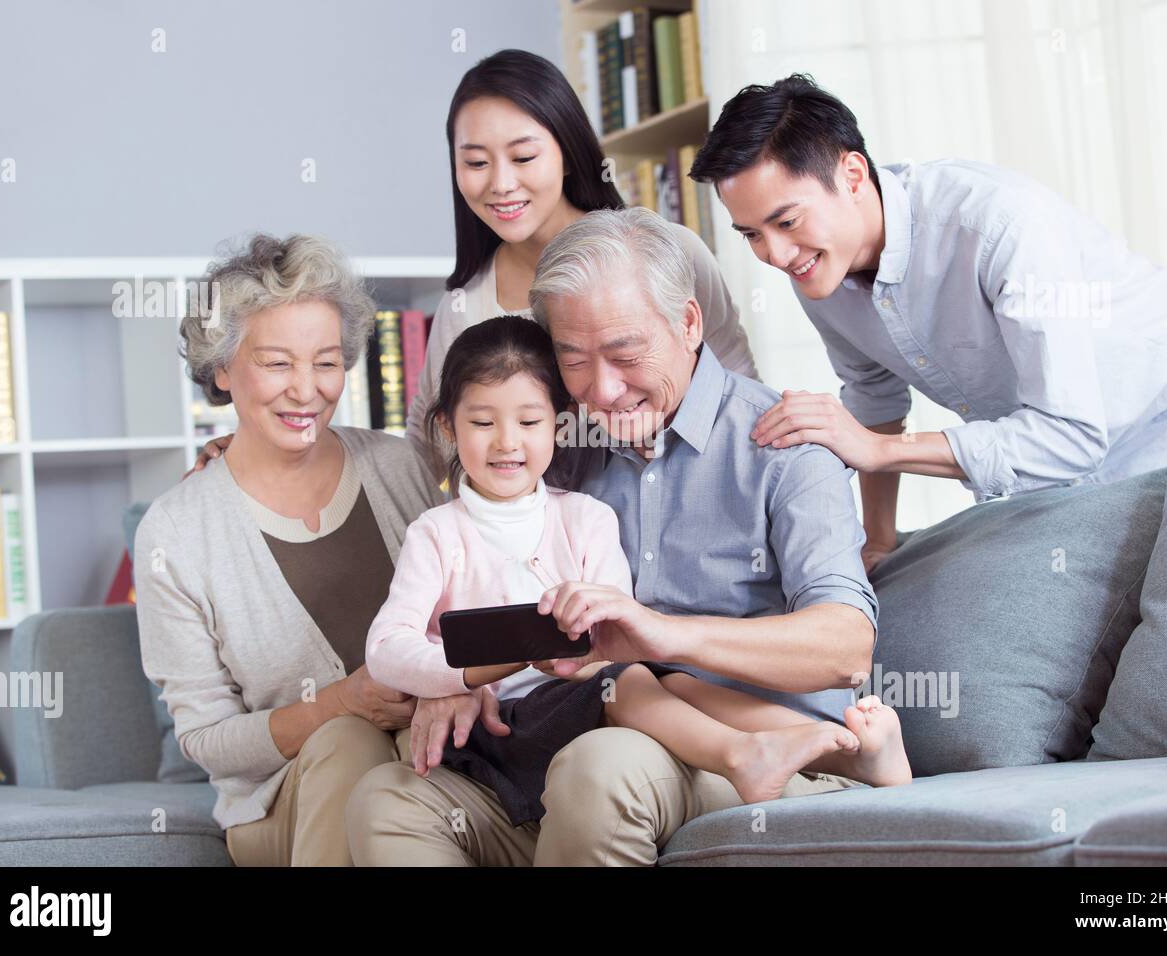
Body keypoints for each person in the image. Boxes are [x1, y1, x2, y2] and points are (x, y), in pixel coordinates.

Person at [346, 207, 890, 866]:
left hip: (756, 757)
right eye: (574, 361)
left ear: (689, 324)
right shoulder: (563, 452)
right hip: (570, 742)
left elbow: (846, 647)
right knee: (388, 798)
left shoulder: (784, 446)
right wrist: (453, 680)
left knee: (603, 764)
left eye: (625, 355)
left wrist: (662, 632)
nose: (603, 390)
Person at [690, 74, 1167, 571]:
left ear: (853, 174)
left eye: (785, 221)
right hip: (1066, 479)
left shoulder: (995, 223)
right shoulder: (821, 273)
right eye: (752, 236)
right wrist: (878, 538)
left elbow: (1072, 435)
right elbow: (874, 399)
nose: (776, 254)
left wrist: (874, 449)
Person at [135, 234, 443, 866]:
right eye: (277, 363)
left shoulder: (398, 466)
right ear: (222, 369)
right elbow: (207, 739)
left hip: (429, 773)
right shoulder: (177, 531)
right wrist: (340, 704)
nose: (306, 390)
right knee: (348, 743)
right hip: (285, 801)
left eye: (325, 362)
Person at [405, 48, 760, 479]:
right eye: (476, 162)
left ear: (569, 153)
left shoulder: (672, 254)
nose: (500, 183)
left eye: (523, 157)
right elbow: (431, 448)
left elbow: (740, 394)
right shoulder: (464, 307)